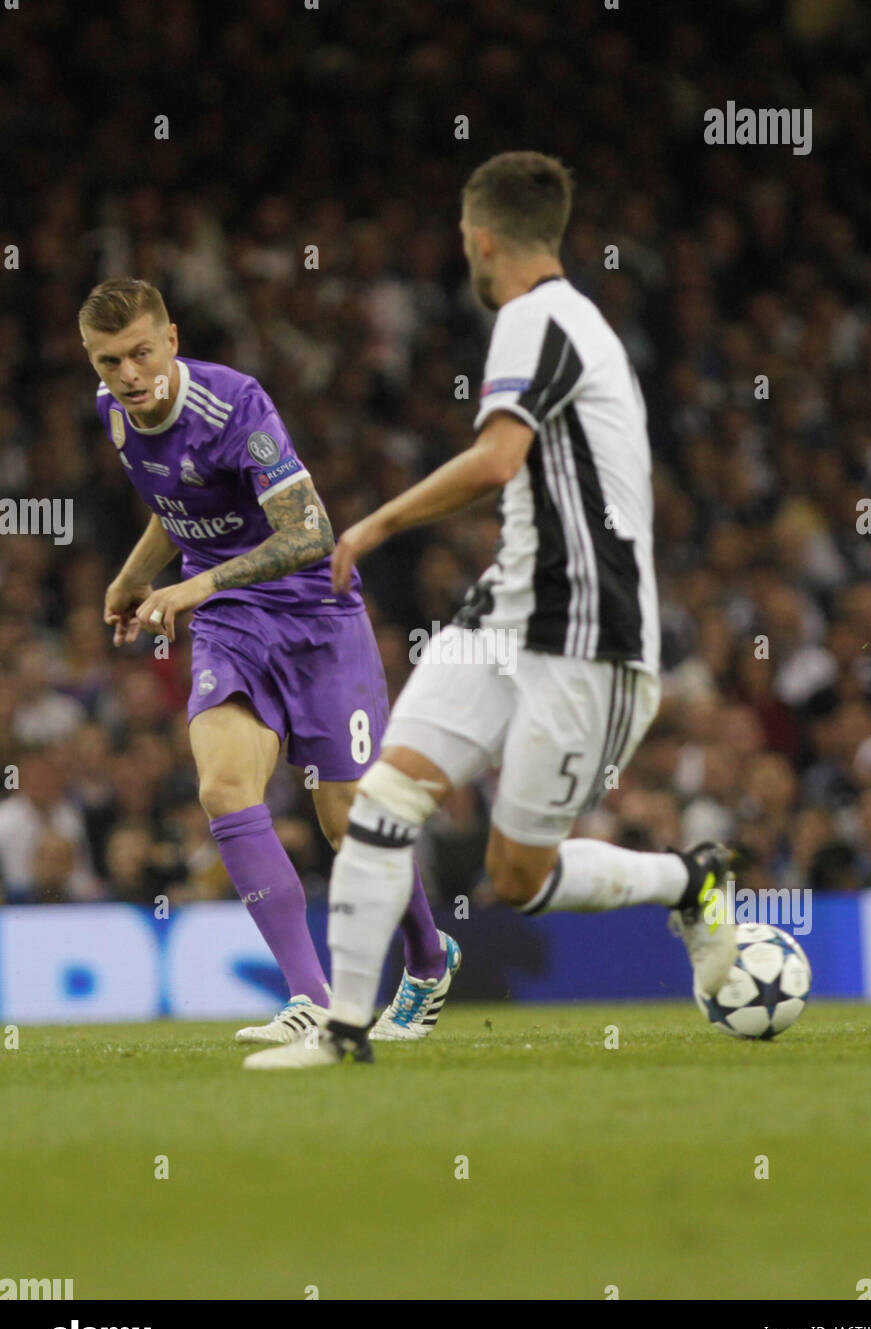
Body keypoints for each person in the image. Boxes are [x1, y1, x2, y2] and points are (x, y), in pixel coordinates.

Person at [244, 151, 735, 1071]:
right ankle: (346, 1028)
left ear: (478, 237)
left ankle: (688, 880)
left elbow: (496, 459)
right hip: (502, 612)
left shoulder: (536, 316)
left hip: (586, 631)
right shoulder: (568, 323)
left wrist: (374, 524)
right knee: (385, 798)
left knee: (517, 878)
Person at [80, 279, 458, 1045]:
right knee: (222, 785)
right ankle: (311, 997)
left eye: (140, 353)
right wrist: (132, 578)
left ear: (172, 340)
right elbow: (176, 507)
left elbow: (311, 533)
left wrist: (196, 582)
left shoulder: (235, 405)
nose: (127, 374)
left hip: (318, 619)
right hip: (229, 624)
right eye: (108, 360)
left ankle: (427, 959)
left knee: (347, 821)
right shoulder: (113, 414)